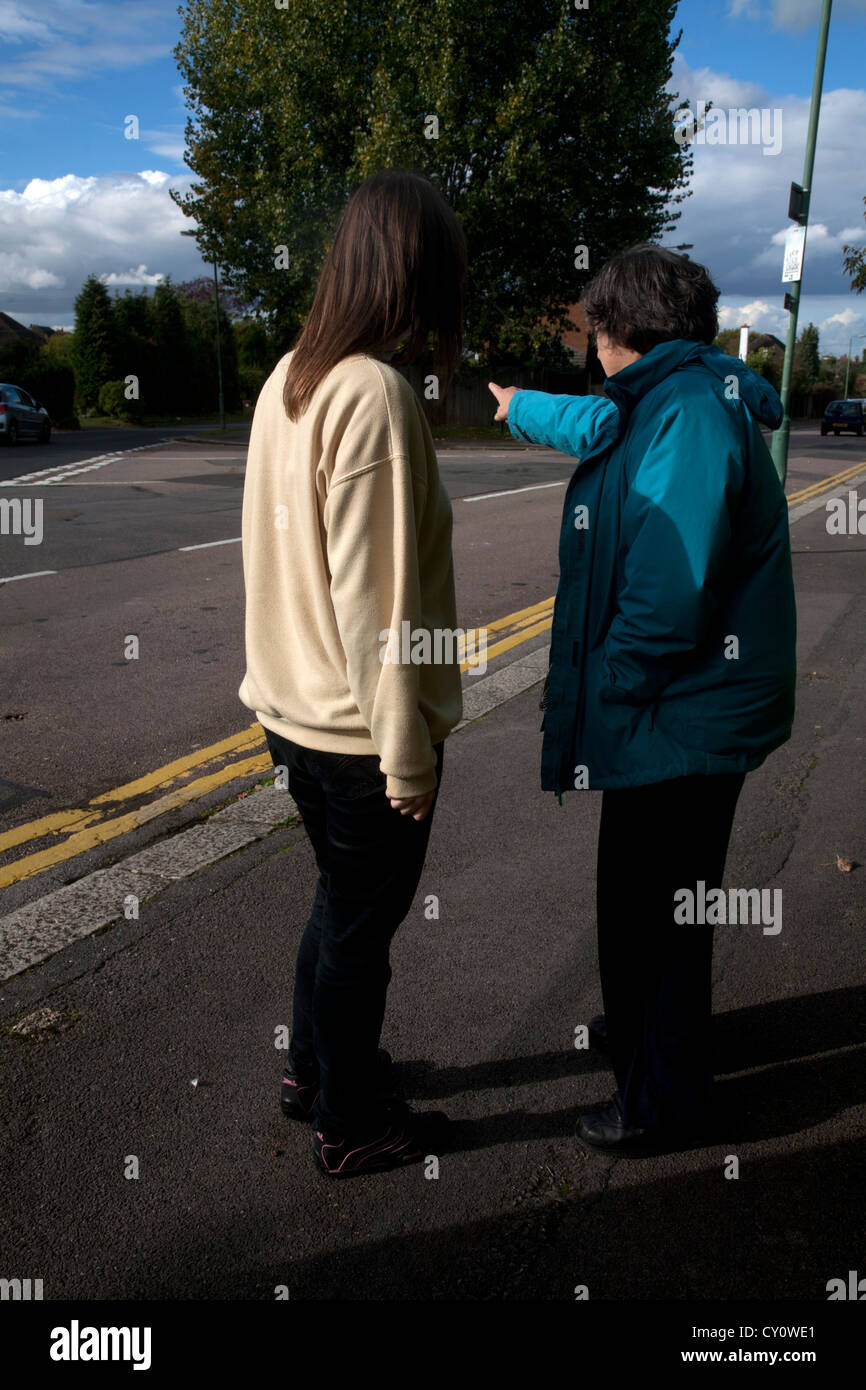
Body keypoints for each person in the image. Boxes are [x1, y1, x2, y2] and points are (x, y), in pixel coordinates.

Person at [489, 244, 796, 1152]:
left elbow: (668, 590)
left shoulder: (689, 414)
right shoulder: (673, 396)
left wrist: (613, 688)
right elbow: (589, 425)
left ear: (619, 330)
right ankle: (654, 1041)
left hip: (678, 710)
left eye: (592, 330)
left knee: (652, 905)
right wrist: (516, 409)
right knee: (658, 896)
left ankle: (664, 1097)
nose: (589, 347)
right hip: (687, 707)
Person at [239, 170, 467, 1176]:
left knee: (338, 907)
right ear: (415, 270)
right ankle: (350, 1121)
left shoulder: (291, 373)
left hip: (290, 713)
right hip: (356, 732)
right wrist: (406, 756)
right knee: (359, 935)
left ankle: (313, 1078)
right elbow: (384, 606)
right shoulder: (372, 393)